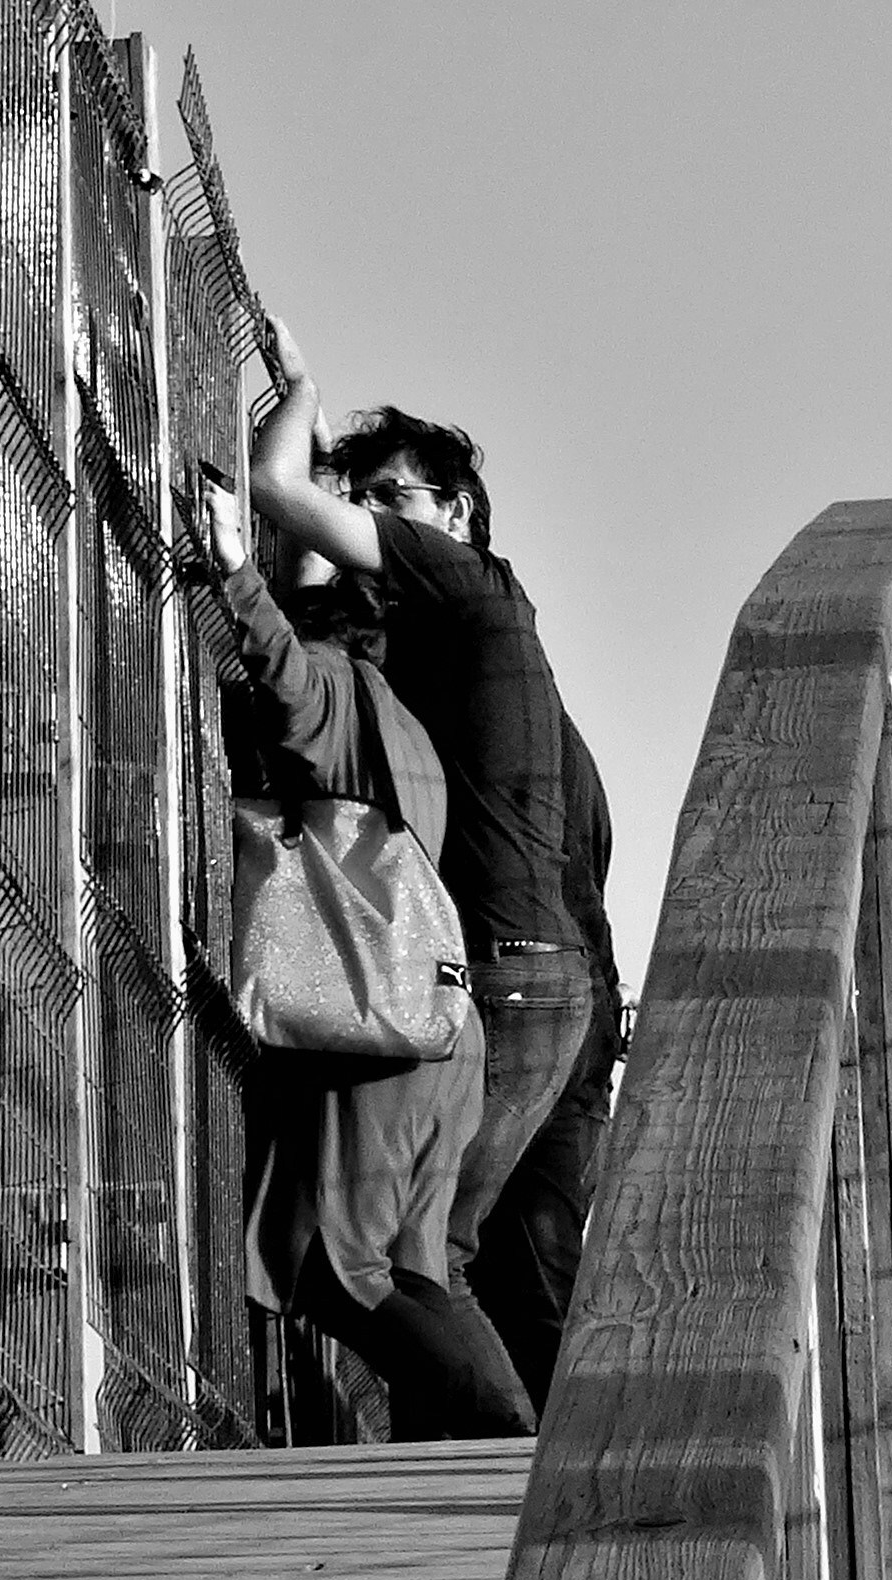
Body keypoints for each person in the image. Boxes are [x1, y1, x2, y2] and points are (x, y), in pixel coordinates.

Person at [245, 320, 601, 1311]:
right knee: (437, 1252)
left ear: (457, 512)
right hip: (508, 972)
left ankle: (491, 1462)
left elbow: (281, 498)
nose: (366, 516)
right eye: (363, 502)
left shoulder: (469, 587)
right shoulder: (431, 641)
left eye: (391, 499)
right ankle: (485, 1455)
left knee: (426, 1249)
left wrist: (303, 400)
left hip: (510, 972)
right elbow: (306, 626)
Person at [188, 474, 534, 1438]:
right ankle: (500, 1445)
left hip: (376, 1028)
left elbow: (291, 689)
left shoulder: (338, 683)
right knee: (415, 1267)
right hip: (438, 1023)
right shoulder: (413, 726)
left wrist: (234, 574)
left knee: (332, 1264)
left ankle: (507, 1437)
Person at [468, 713, 620, 1410]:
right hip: (583, 1022)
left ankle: (567, 1458)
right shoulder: (561, 742)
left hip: (546, 1010)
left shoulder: (522, 738)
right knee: (538, 1271)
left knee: (518, 1274)